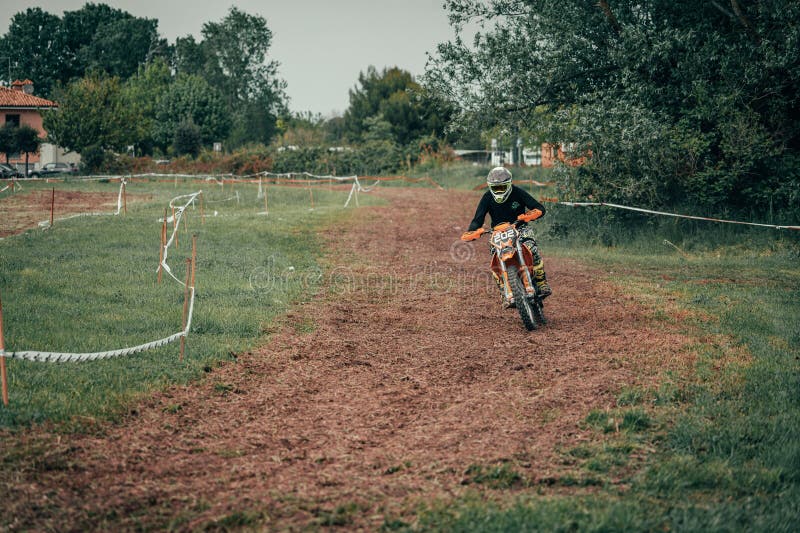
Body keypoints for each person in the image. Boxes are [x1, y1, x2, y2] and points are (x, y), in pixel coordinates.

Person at [461, 166, 552, 302]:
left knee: (532, 248)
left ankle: (541, 282)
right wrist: (471, 231)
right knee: (495, 260)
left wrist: (531, 215)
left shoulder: (517, 192)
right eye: (496, 188)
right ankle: (504, 292)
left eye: (502, 187)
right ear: (490, 187)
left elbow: (538, 207)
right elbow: (477, 219)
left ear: (509, 184)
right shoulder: (487, 197)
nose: (499, 191)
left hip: (519, 227)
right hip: (497, 232)